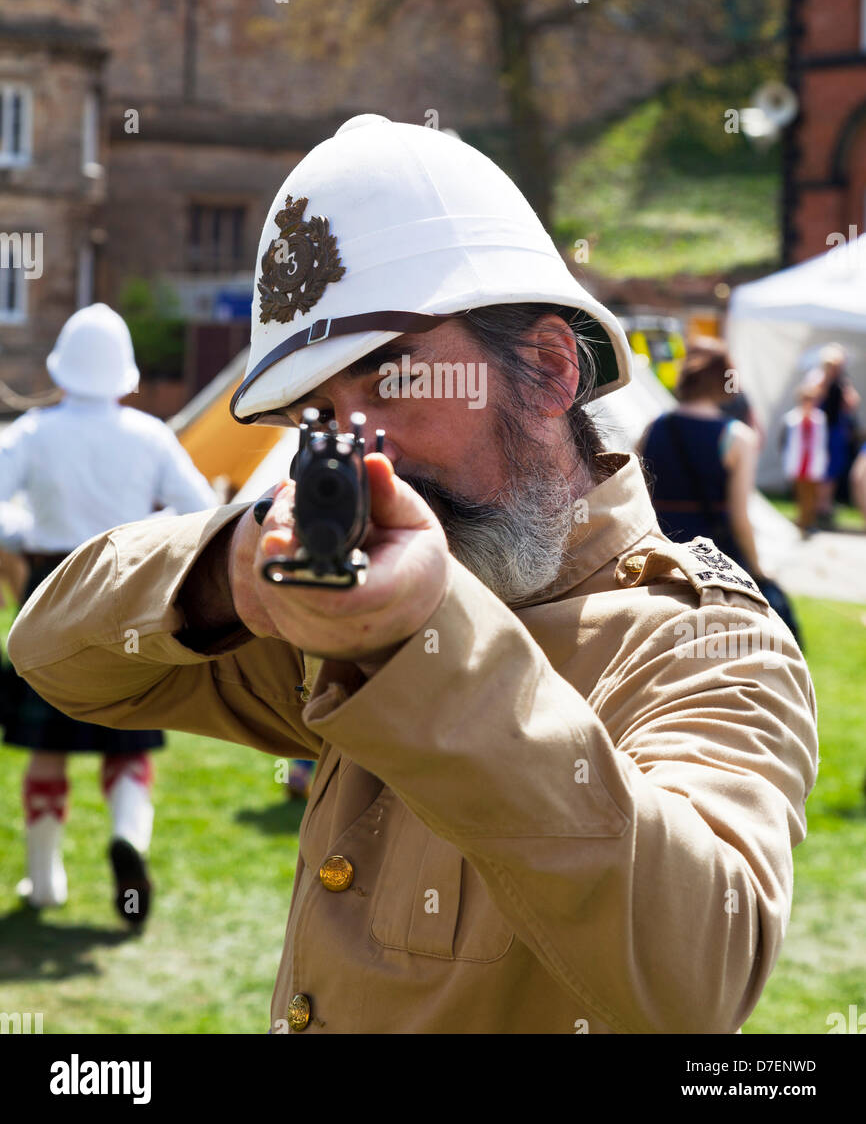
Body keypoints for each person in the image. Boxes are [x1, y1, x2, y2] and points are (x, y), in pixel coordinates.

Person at [8, 117, 817, 1034]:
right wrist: (234, 570)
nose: (356, 453)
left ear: (550, 369)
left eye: (393, 382)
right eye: (320, 416)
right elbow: (55, 654)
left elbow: (698, 973)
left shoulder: (708, 644)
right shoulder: (339, 625)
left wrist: (425, 643)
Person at [0, 304, 216, 921]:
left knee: (48, 746)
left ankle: (44, 885)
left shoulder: (33, 433)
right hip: (126, 592)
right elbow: (200, 510)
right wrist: (142, 531)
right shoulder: (150, 436)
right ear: (124, 374)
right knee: (129, 734)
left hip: (49, 588)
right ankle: (128, 839)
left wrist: (24, 529)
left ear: (63, 369)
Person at [638, 338, 763, 577]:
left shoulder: (652, 427)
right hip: (715, 562)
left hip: (660, 557)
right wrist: (759, 570)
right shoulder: (738, 437)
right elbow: (739, 518)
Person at [805, 344, 861, 525]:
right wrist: (825, 380)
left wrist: (843, 387)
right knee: (817, 469)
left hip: (836, 431)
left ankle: (825, 507)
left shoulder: (843, 382)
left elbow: (852, 404)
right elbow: (809, 400)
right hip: (818, 431)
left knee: (833, 469)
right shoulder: (816, 377)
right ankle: (814, 508)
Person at [781, 383, 829, 535]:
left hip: (813, 460)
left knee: (813, 493)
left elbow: (823, 441)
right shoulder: (791, 418)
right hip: (798, 460)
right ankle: (803, 521)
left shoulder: (820, 418)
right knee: (801, 492)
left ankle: (809, 520)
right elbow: (784, 441)